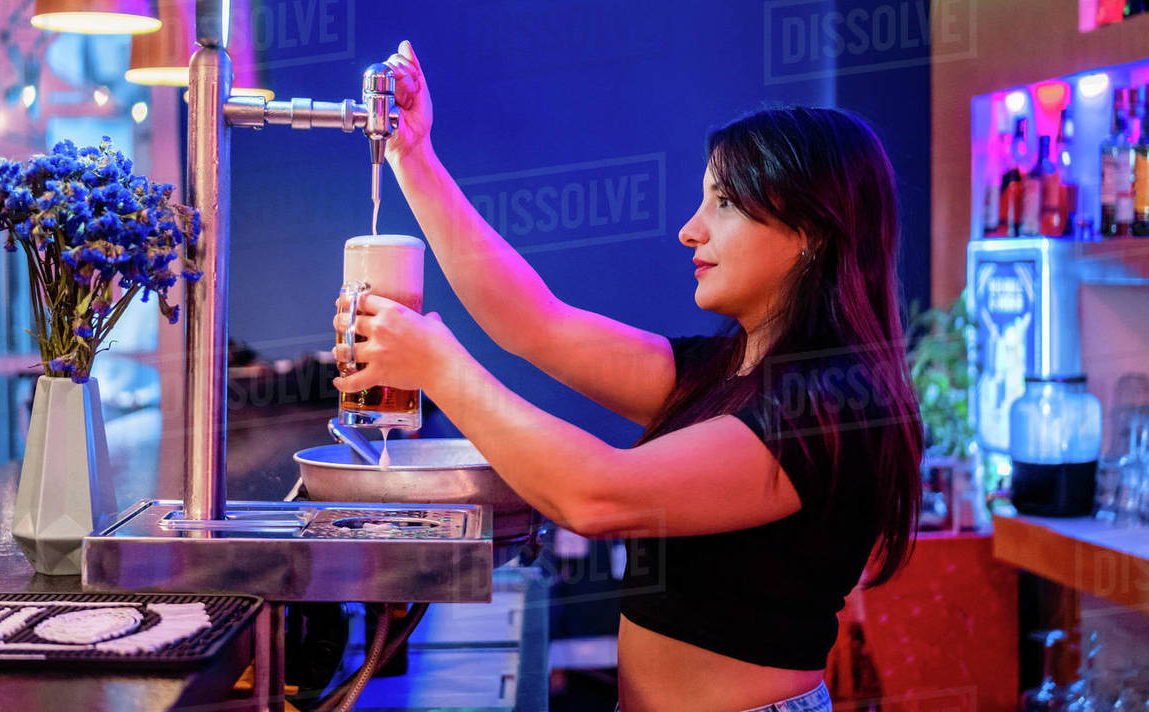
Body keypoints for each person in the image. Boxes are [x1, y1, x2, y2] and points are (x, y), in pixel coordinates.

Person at [332, 41, 923, 712]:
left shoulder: (832, 404)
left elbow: (596, 497)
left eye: (724, 203)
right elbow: (533, 322)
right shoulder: (724, 372)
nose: (689, 231)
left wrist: (437, 364)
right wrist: (415, 157)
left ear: (812, 231)